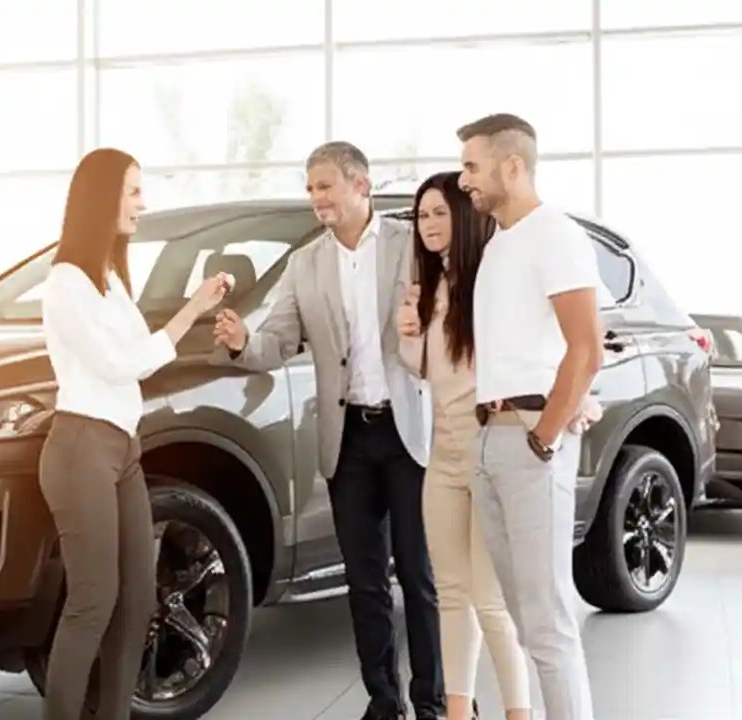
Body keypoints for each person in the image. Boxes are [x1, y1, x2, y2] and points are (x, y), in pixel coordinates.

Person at [211, 141, 444, 720]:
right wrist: (244, 343)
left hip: (409, 431)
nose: (316, 198)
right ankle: (383, 702)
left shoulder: (408, 243)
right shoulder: (305, 263)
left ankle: (434, 702)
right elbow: (278, 340)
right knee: (363, 582)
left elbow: (448, 318)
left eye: (325, 186)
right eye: (310, 188)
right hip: (349, 441)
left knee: (417, 576)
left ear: (359, 185)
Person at [38, 147, 230, 720]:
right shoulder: (66, 282)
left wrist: (193, 309)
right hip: (80, 449)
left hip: (122, 449)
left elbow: (138, 349)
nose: (142, 204)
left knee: (137, 599)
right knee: (92, 603)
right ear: (103, 198)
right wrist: (192, 309)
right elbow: (123, 364)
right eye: (133, 191)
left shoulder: (111, 279)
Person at [456, 112, 603, 720]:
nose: (464, 179)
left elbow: (587, 346)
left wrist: (545, 437)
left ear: (511, 166)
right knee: (524, 615)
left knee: (547, 622)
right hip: (490, 439)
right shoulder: (498, 242)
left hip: (529, 441)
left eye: (472, 165)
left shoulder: (554, 234)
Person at [395, 171, 532, 720]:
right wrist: (408, 334)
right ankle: (457, 713)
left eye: (439, 213)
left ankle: (519, 713)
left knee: (490, 601)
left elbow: (520, 359)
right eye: (421, 215)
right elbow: (427, 372)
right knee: (450, 595)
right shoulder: (429, 287)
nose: (428, 225)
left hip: (490, 452)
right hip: (444, 455)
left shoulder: (491, 282)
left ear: (464, 215)